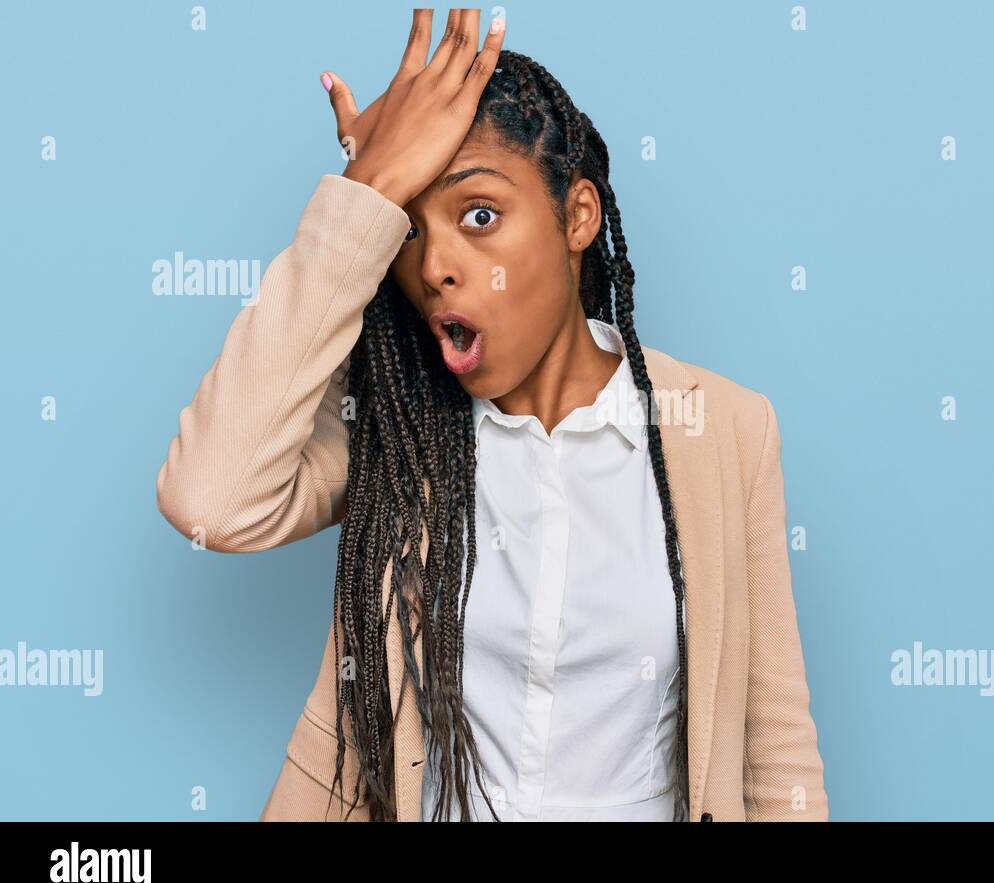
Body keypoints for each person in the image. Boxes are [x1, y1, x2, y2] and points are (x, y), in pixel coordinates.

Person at [156, 7, 827, 822]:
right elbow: (211, 502)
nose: (436, 266)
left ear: (578, 217)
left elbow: (774, 752)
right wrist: (362, 201)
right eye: (410, 231)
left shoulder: (720, 429)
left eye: (478, 215)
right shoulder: (400, 426)